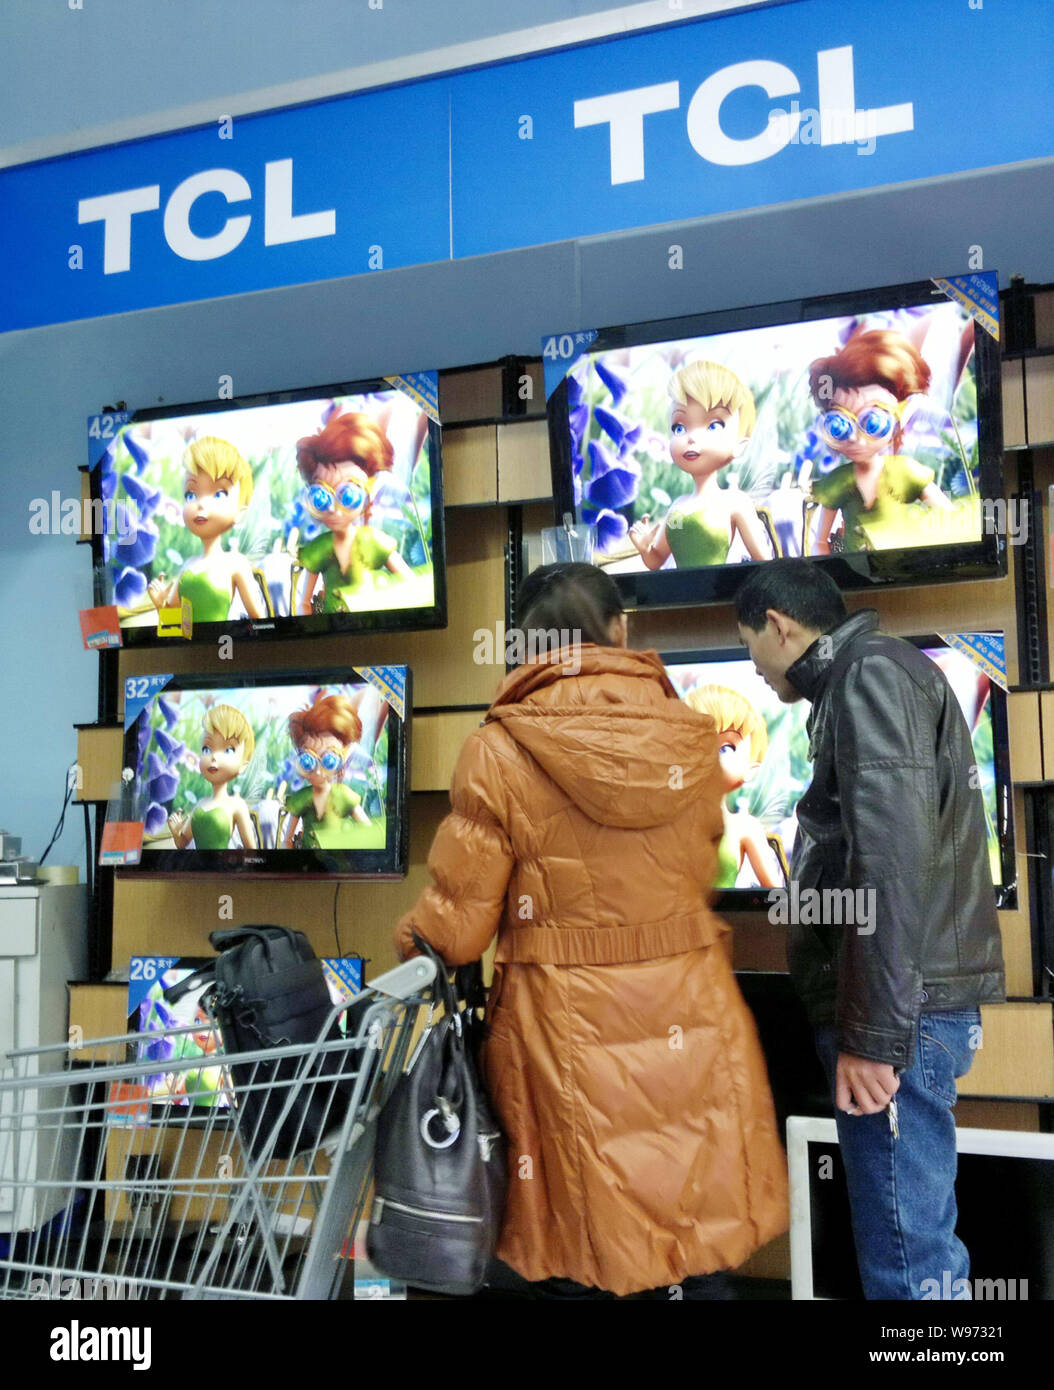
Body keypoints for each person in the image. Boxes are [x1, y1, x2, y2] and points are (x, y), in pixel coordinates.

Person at [392, 562, 788, 1299]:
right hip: (691, 1014)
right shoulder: (696, 739)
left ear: (523, 647)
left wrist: (414, 941)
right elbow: (696, 869)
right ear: (620, 630)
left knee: (580, 1237)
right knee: (687, 1214)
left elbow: (458, 929)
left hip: (564, 1033)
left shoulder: (499, 750)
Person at [734, 558, 1006, 1300]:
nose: (753, 669)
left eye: (750, 644)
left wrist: (872, 1039)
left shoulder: (867, 676)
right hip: (906, 1011)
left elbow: (888, 866)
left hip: (900, 1019)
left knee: (908, 1262)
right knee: (908, 1250)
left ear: (779, 626)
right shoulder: (863, 676)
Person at [806, 330, 951, 554]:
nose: (855, 438)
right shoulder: (839, 481)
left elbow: (947, 514)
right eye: (839, 425)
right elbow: (819, 543)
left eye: (873, 422)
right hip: (854, 576)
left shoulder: (905, 471)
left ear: (899, 417)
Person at [629, 360, 771, 570]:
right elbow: (655, 560)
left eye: (714, 425)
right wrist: (644, 548)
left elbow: (766, 563)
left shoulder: (735, 502)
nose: (691, 438)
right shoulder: (676, 506)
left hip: (723, 596)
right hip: (678, 599)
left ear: (739, 445)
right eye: (679, 428)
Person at [294, 412, 411, 614]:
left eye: (348, 495)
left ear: (369, 490)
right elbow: (304, 603)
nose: (334, 510)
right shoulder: (321, 547)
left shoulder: (371, 540)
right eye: (321, 498)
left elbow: (408, 581)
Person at [148, 437, 266, 623]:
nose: (201, 503)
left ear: (240, 512)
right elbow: (174, 625)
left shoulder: (235, 562)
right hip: (188, 651)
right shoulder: (187, 567)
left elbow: (260, 619)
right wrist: (161, 604)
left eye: (219, 494)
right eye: (192, 494)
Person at [282, 692, 372, 849]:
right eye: (308, 761)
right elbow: (287, 840)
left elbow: (367, 830)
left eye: (329, 761)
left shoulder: (343, 795)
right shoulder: (302, 797)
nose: (317, 771)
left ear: (344, 756)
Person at [168, 703, 257, 850]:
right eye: (207, 749)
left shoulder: (237, 805)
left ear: (243, 765)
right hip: (196, 870)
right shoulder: (200, 804)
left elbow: (253, 853)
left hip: (226, 870)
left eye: (229, 750)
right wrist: (176, 832)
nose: (214, 756)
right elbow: (182, 844)